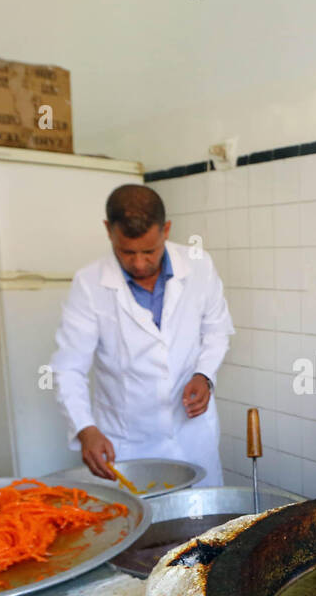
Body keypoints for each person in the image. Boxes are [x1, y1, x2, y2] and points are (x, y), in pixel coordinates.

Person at [50, 184, 234, 487]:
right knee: (142, 530)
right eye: (127, 252)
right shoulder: (89, 283)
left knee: (205, 528)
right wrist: (85, 429)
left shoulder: (199, 266)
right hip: (127, 443)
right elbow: (69, 366)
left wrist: (204, 375)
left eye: (149, 251)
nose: (138, 263)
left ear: (166, 230)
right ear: (108, 230)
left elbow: (217, 330)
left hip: (192, 437)